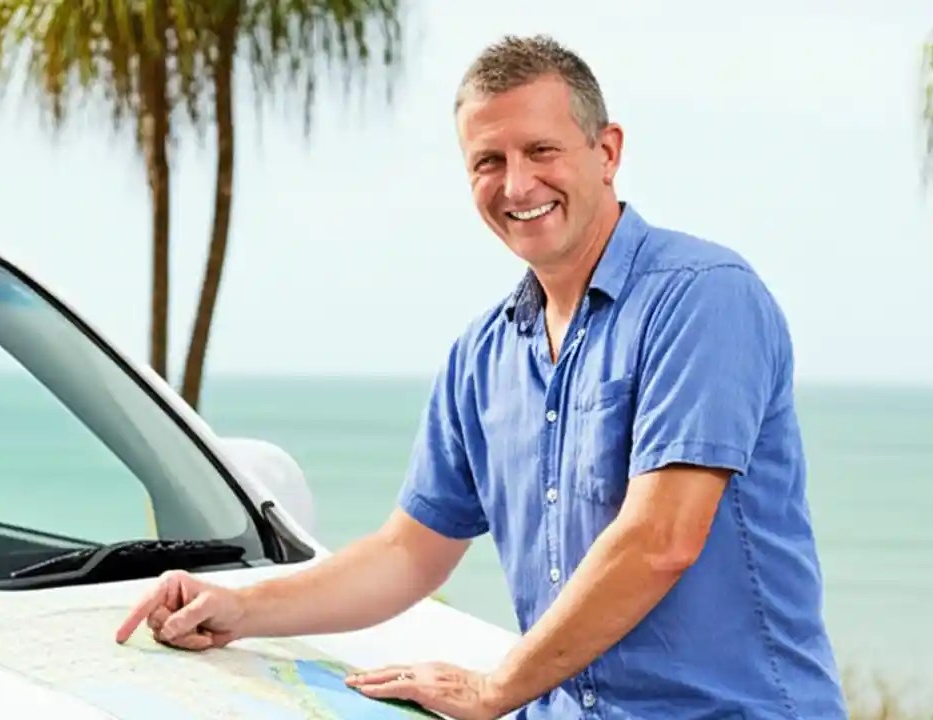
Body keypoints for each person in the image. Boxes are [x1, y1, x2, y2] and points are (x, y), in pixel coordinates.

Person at [114, 34, 846, 719]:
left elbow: (662, 537)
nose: (517, 183)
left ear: (607, 151)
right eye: (488, 161)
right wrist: (242, 608)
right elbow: (407, 553)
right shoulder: (482, 357)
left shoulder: (703, 298)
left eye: (541, 150)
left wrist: (498, 686)